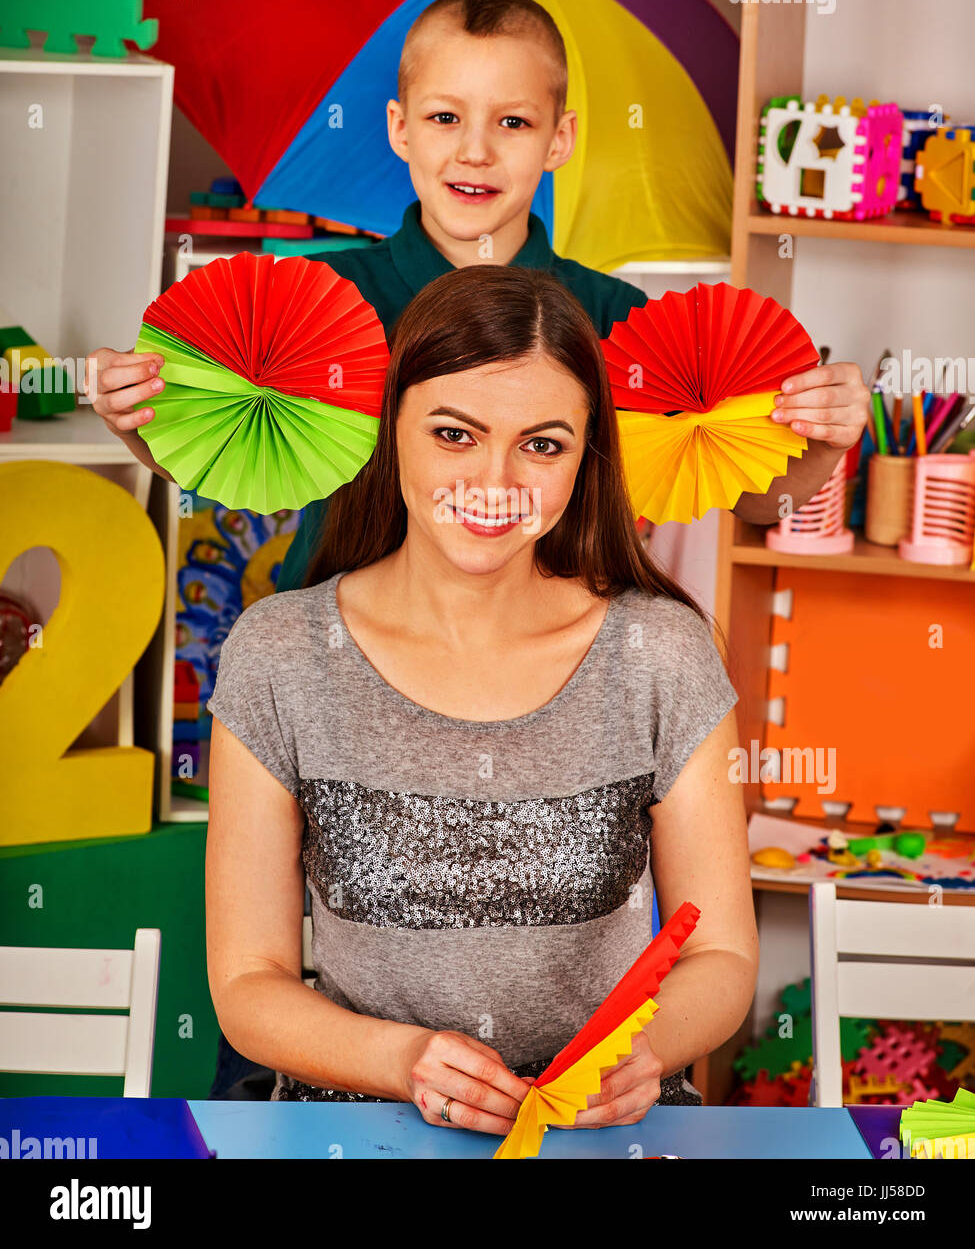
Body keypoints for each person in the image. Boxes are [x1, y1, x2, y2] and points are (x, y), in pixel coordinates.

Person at [84, 0, 868, 1098]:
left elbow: (739, 487)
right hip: (355, 685)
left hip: (574, 696)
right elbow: (225, 458)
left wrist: (819, 447)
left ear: (560, 140)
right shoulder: (312, 305)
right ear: (399, 129)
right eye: (447, 116)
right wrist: (146, 425)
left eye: (512, 121)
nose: (477, 149)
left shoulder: (623, 327)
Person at [205, 262, 759, 1133]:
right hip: (357, 1128)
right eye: (454, 435)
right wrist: (400, 1060)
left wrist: (642, 1052)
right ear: (392, 431)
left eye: (542, 445)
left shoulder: (660, 651)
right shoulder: (280, 653)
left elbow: (721, 955)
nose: (494, 482)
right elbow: (247, 984)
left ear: (585, 458)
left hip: (602, 1132)